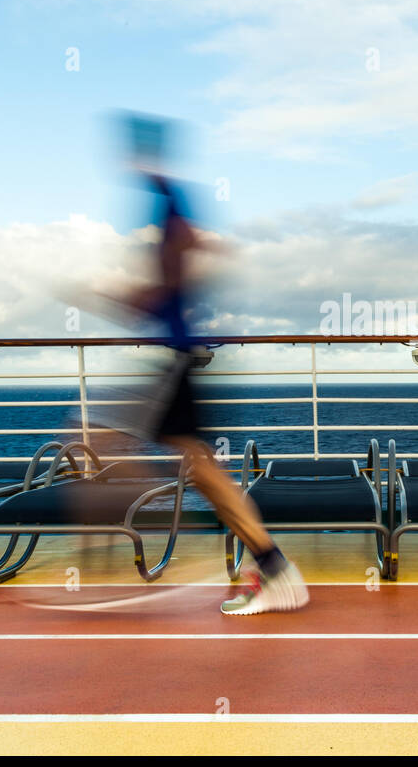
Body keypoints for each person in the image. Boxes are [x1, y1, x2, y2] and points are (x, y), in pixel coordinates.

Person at [100, 114, 308, 615]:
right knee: (202, 471)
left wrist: (128, 297)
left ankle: (249, 562)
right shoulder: (171, 205)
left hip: (177, 360)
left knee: (97, 437)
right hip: (183, 358)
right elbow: (193, 254)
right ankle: (272, 568)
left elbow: (169, 281)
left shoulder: (168, 205)